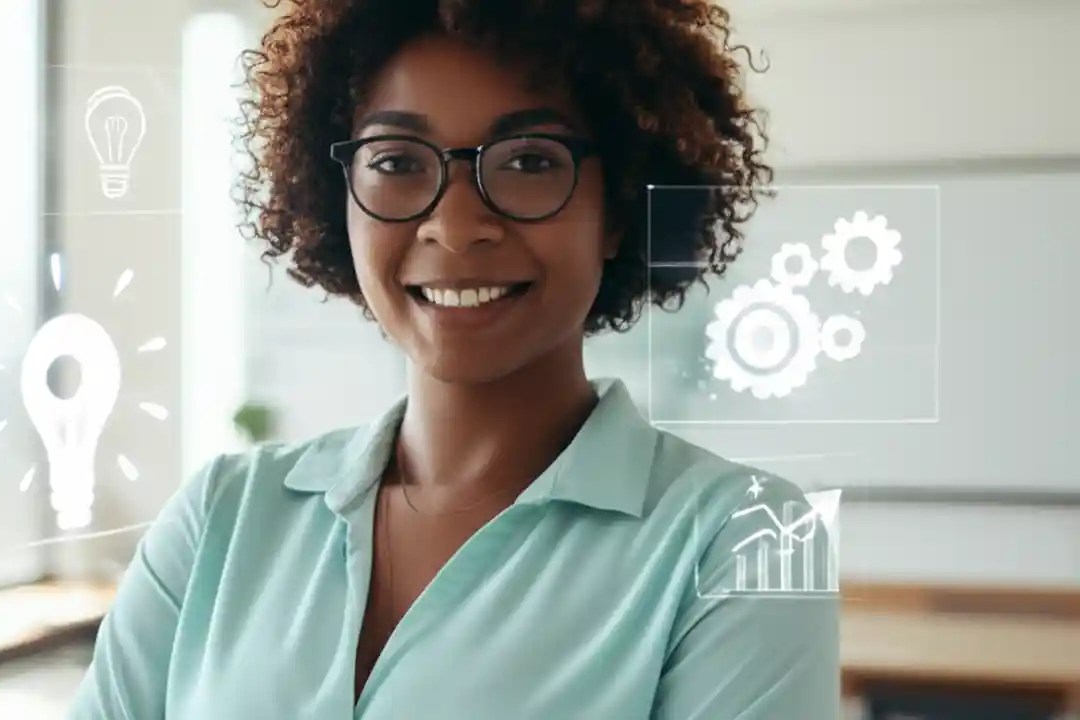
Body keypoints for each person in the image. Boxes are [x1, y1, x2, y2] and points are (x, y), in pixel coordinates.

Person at [69, 0, 839, 717]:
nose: (456, 224)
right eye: (399, 161)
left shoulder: (742, 543)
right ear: (336, 195)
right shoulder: (221, 521)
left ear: (621, 206)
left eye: (530, 161)